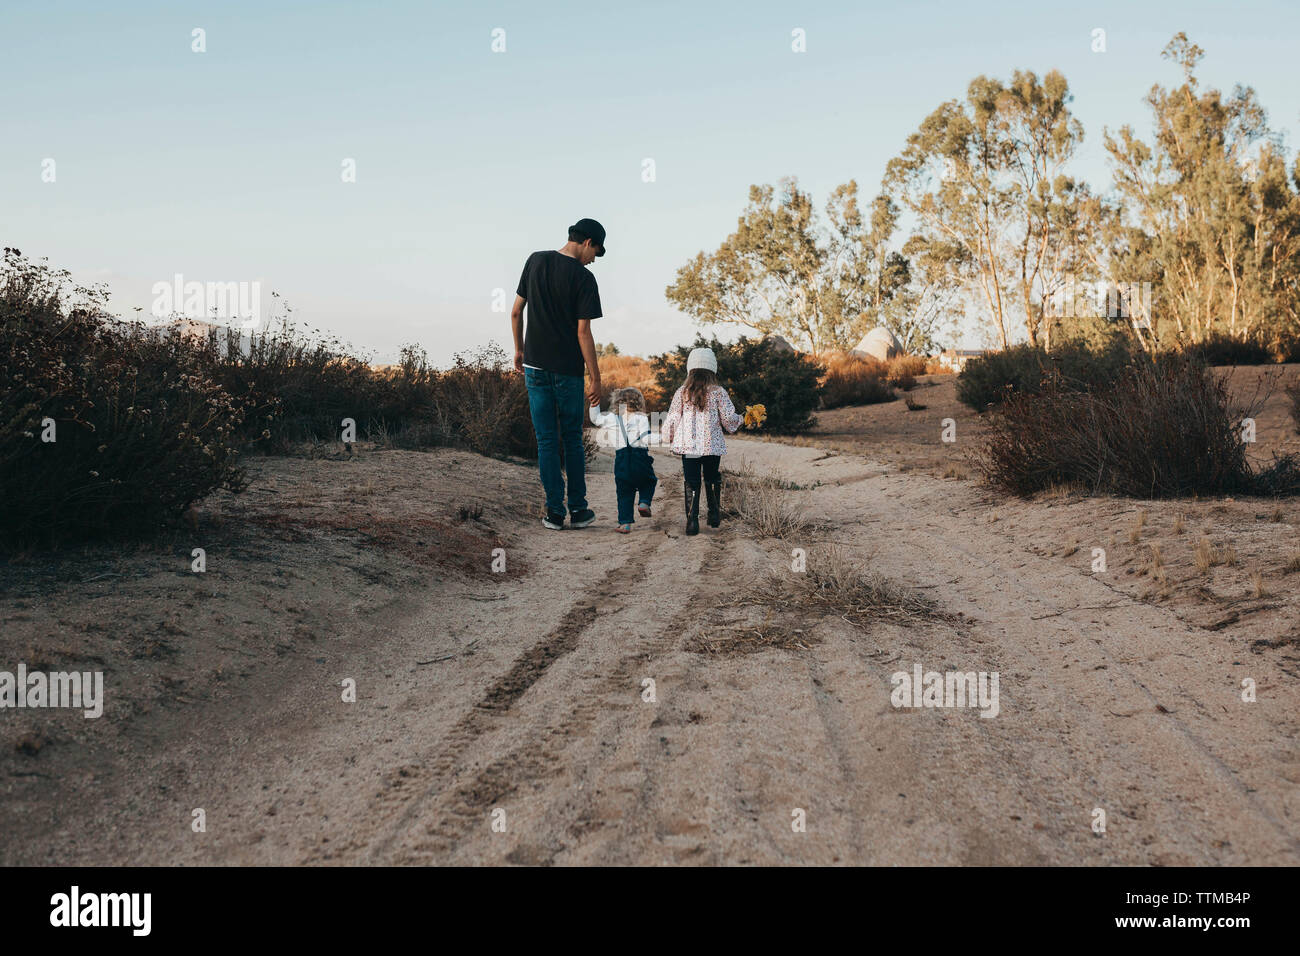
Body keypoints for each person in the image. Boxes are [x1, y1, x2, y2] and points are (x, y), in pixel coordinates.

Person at [510, 218, 607, 530]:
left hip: (535, 367)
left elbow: (515, 311)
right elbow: (583, 333)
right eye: (596, 252)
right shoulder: (584, 278)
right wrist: (596, 377)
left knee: (547, 441)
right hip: (567, 371)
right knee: (572, 440)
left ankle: (554, 513)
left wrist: (519, 349)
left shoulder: (535, 261)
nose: (594, 259)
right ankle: (578, 511)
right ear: (588, 242)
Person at [658, 347, 743, 536]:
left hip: (690, 447)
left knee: (692, 481)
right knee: (712, 477)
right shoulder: (719, 392)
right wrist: (741, 419)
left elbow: (672, 418)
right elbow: (729, 419)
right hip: (712, 446)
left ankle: (692, 522)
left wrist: (667, 436)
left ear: (690, 369)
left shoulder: (682, 392)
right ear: (713, 370)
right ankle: (714, 515)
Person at [588, 387, 657, 533]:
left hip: (621, 460)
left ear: (617, 402)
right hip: (641, 458)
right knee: (649, 481)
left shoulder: (611, 418)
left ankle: (625, 523)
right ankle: (644, 503)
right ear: (639, 403)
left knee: (624, 492)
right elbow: (647, 438)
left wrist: (594, 404)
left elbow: (595, 419)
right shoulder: (641, 418)